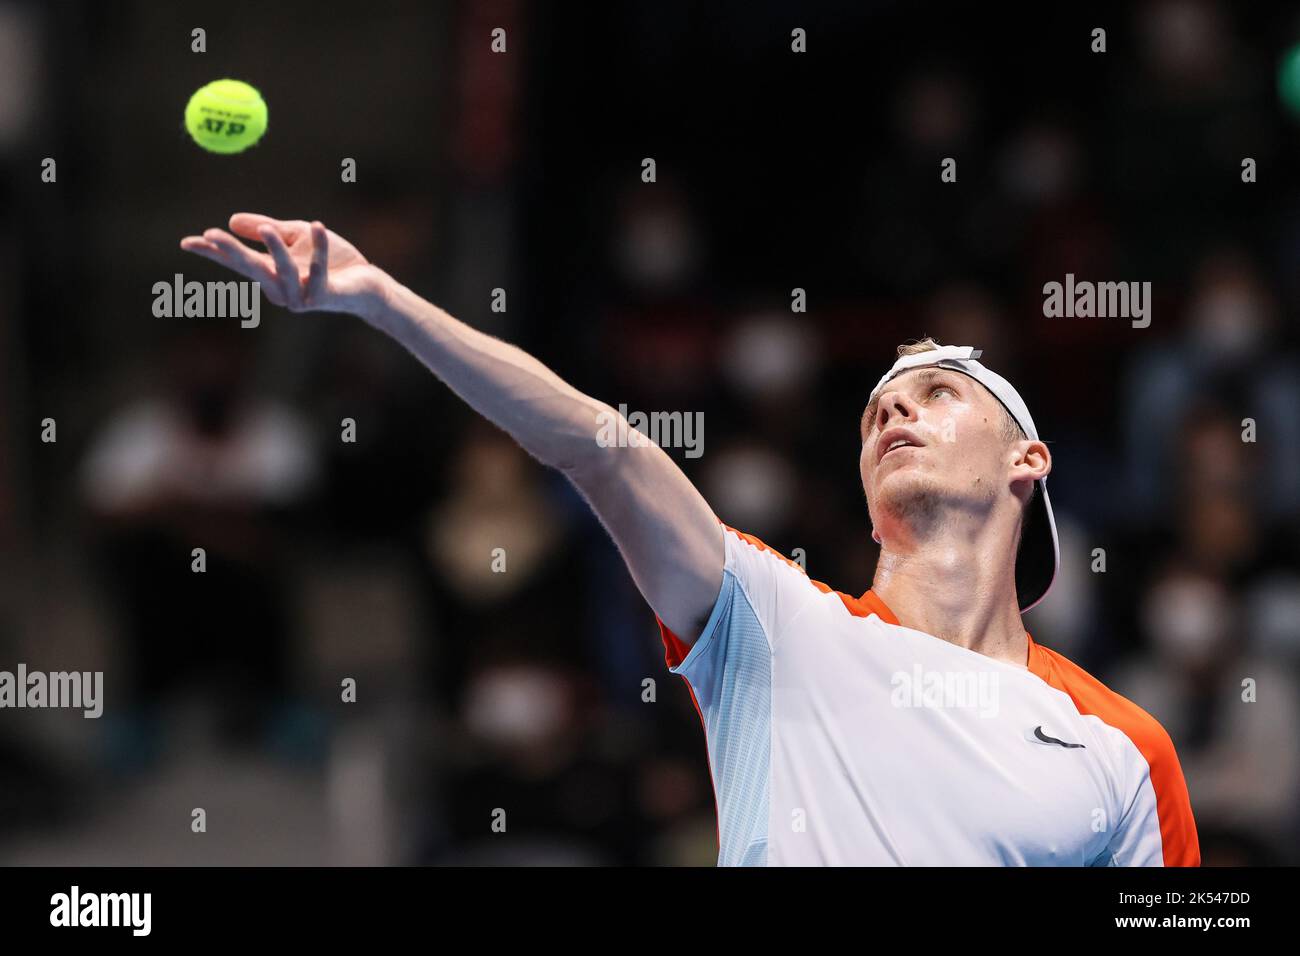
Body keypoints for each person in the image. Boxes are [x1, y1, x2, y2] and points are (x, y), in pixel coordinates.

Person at [180, 214, 1200, 866]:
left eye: (937, 394)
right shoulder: (775, 623)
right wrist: (382, 301)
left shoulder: (1121, 747)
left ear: (1029, 459)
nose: (893, 414)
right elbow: (601, 448)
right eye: (875, 411)